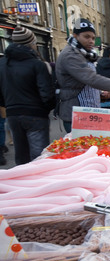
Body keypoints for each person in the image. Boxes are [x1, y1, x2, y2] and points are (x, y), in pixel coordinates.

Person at [56, 18, 110, 133]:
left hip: (89, 113)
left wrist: (100, 94)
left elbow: (82, 83)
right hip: (76, 116)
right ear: (75, 36)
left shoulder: (84, 54)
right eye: (86, 37)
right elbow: (91, 78)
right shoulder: (70, 55)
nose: (91, 41)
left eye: (93, 38)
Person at [0, 26, 55, 165]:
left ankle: (23, 184)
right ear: (31, 43)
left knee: (22, 155)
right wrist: (47, 109)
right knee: (39, 157)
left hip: (13, 114)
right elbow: (46, 94)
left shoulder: (3, 64)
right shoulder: (37, 64)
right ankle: (40, 184)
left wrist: (7, 106)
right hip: (35, 114)